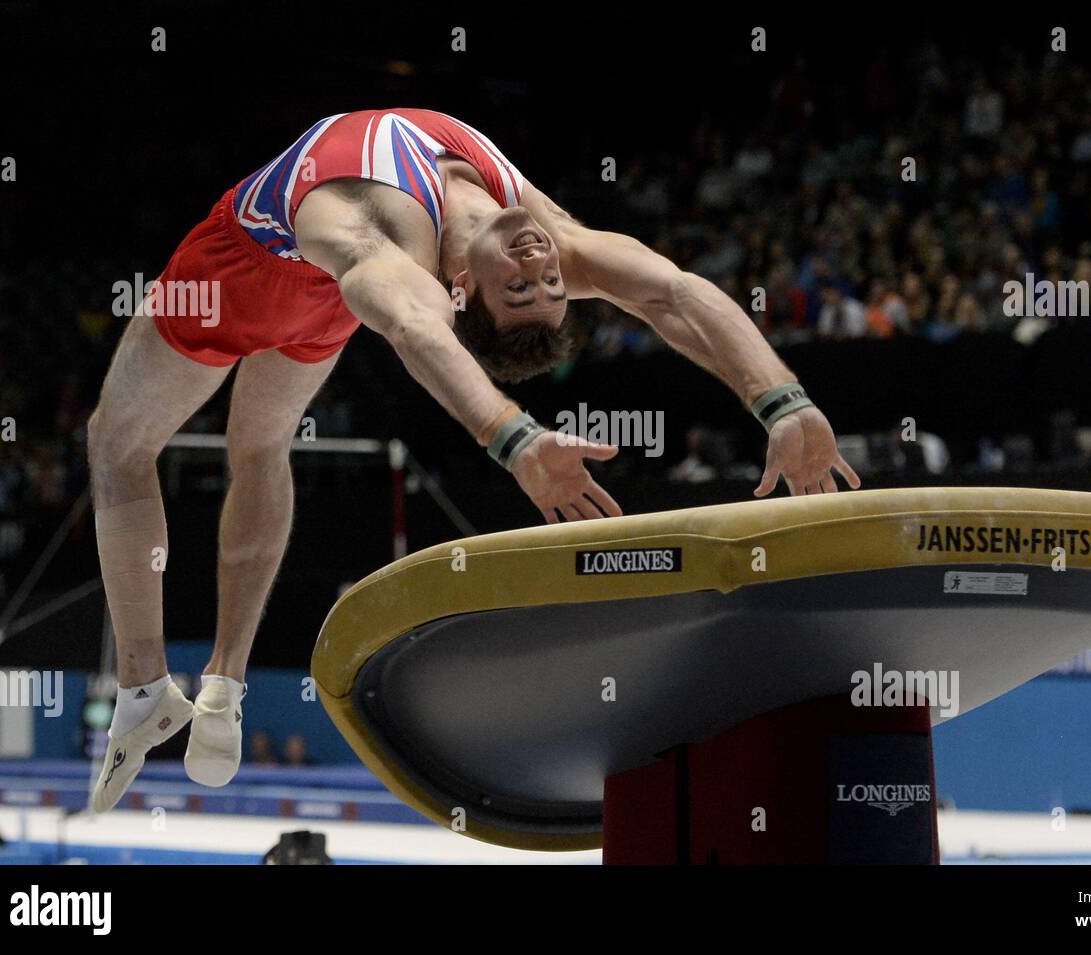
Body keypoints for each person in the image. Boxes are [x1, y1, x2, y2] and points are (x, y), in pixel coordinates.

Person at [88, 108, 859, 813]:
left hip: (250, 271)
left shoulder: (380, 233)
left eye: (520, 286)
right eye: (548, 283)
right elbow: (673, 294)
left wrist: (513, 438)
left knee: (117, 444)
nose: (539, 262)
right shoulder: (544, 226)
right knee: (257, 446)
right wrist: (783, 400)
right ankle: (220, 689)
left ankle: (149, 682)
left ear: (459, 287)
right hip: (331, 294)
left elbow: (420, 334)